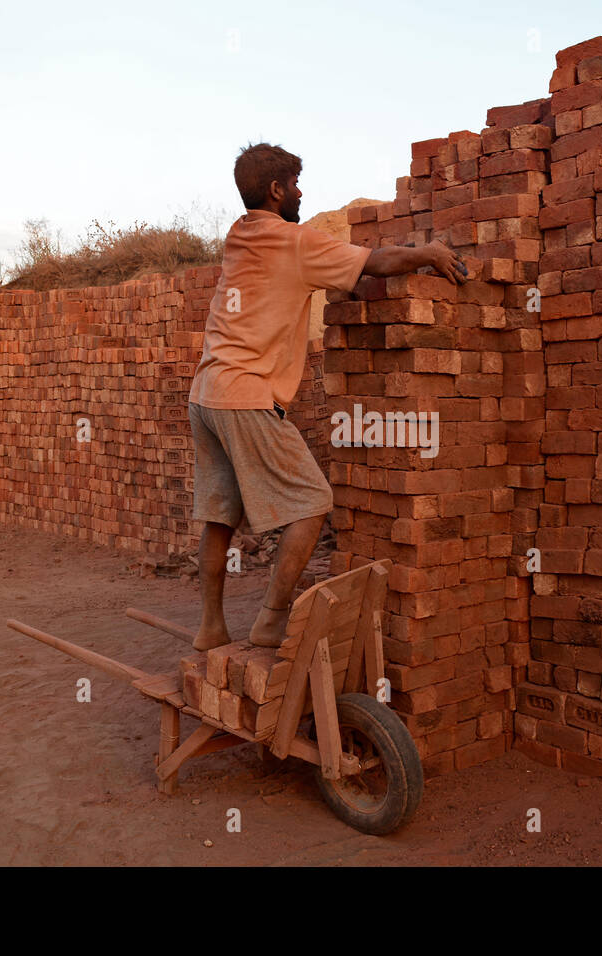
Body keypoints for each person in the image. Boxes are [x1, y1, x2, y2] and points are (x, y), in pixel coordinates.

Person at [188, 141, 467, 650]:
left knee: (219, 516)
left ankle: (210, 629)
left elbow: (312, 280)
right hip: (247, 395)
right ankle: (271, 618)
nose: (300, 192)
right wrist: (428, 254)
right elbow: (377, 262)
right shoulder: (293, 241)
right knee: (312, 502)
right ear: (275, 190)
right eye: (293, 184)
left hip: (205, 393)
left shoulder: (239, 235)